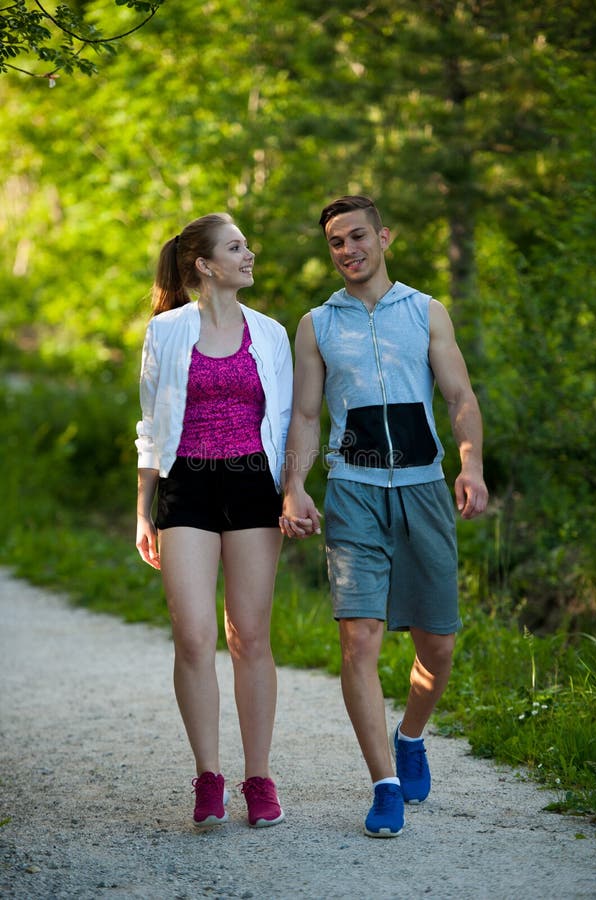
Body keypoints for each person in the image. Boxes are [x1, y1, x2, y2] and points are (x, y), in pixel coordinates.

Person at [280, 195, 488, 838]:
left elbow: (459, 395)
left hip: (424, 491)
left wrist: (472, 465)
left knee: (439, 646)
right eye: (337, 242)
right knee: (359, 639)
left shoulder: (426, 311)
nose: (348, 250)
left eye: (358, 237)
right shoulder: (316, 324)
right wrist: (294, 486)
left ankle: (411, 736)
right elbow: (308, 416)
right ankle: (384, 784)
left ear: (385, 237)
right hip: (353, 493)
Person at [135, 212, 292, 829]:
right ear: (205, 265)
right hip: (186, 487)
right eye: (236, 247)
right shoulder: (167, 332)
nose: (249, 254)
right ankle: (208, 776)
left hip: (253, 486)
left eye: (247, 245)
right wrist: (142, 512)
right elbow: (150, 426)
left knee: (249, 637)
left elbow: (288, 421)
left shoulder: (271, 334)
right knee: (193, 635)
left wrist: (292, 490)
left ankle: (259, 777)